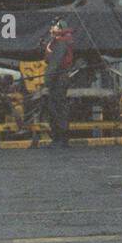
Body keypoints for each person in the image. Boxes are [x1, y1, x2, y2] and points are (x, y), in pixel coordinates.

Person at [40, 17, 75, 148]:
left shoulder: (61, 43)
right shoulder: (58, 42)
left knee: (57, 107)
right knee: (56, 106)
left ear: (60, 29)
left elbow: (55, 63)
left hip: (58, 78)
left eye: (53, 26)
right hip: (58, 77)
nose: (50, 29)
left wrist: (47, 80)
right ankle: (59, 137)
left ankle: (60, 138)